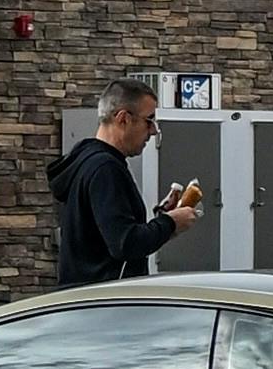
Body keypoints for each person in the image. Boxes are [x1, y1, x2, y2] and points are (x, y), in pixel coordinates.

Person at [48, 75, 203, 286]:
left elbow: (115, 237)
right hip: (105, 304)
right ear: (123, 118)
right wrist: (170, 222)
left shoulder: (88, 161)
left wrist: (164, 222)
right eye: (149, 120)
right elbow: (125, 243)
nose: (153, 130)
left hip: (85, 300)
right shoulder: (105, 168)